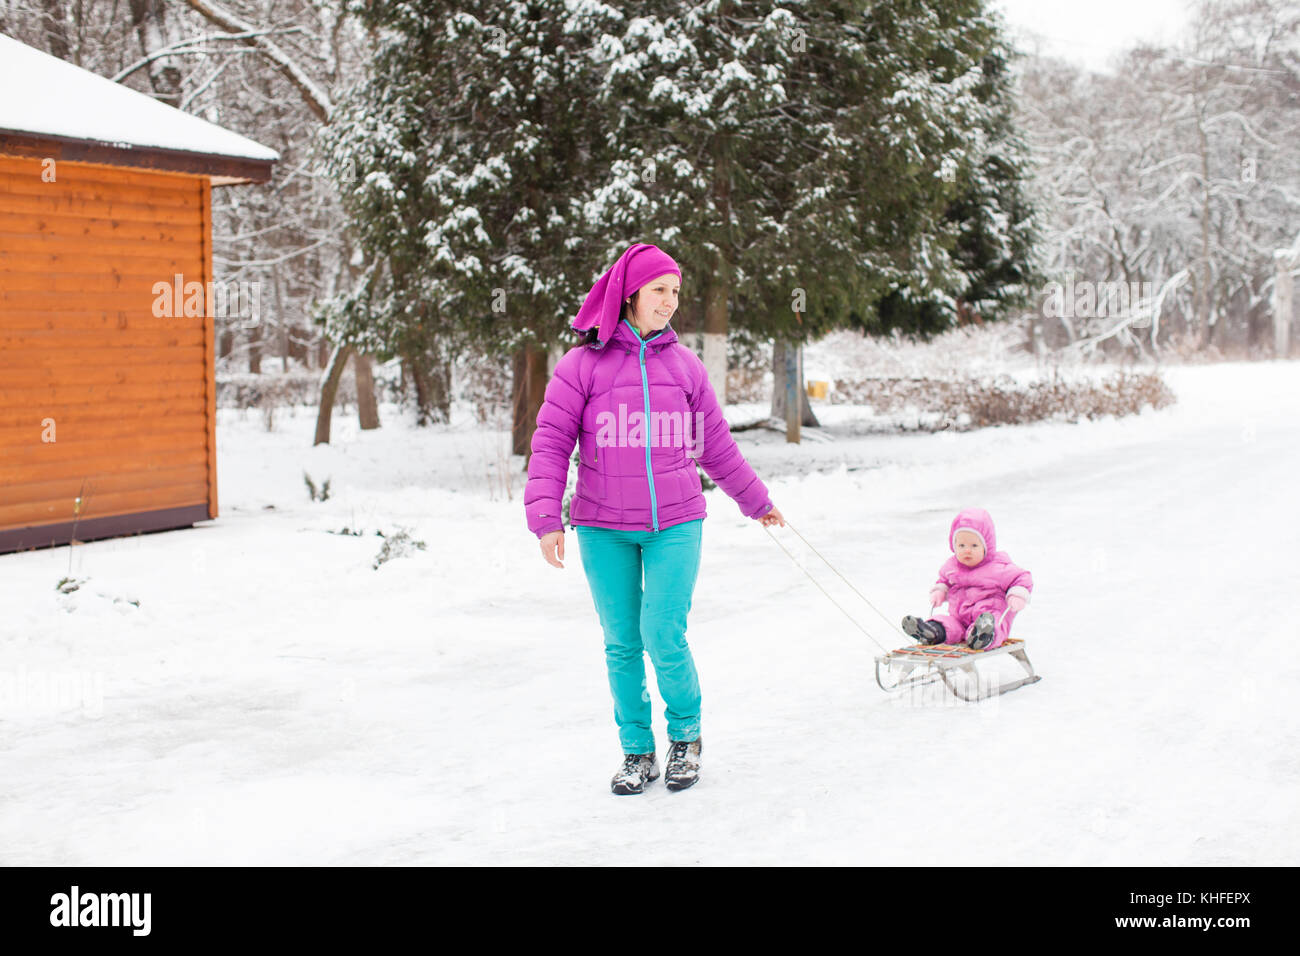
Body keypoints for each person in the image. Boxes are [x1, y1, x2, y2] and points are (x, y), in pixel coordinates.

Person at [524, 242, 785, 795]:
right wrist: (547, 516)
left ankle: (686, 738)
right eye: (659, 291)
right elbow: (550, 443)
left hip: (676, 521)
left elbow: (715, 447)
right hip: (601, 524)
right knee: (621, 640)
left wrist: (756, 500)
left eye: (675, 293)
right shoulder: (581, 366)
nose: (669, 302)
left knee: (661, 631)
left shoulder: (684, 366)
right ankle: (637, 751)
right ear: (630, 294)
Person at [901, 507, 1032, 651]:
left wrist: (1017, 595)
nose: (967, 550)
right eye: (961, 545)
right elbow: (943, 580)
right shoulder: (952, 566)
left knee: (993, 624)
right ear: (953, 545)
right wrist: (940, 591)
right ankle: (931, 631)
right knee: (947, 623)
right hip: (959, 618)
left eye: (974, 545)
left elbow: (1022, 577)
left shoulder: (998, 567)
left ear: (987, 546)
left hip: (988, 616)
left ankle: (983, 636)